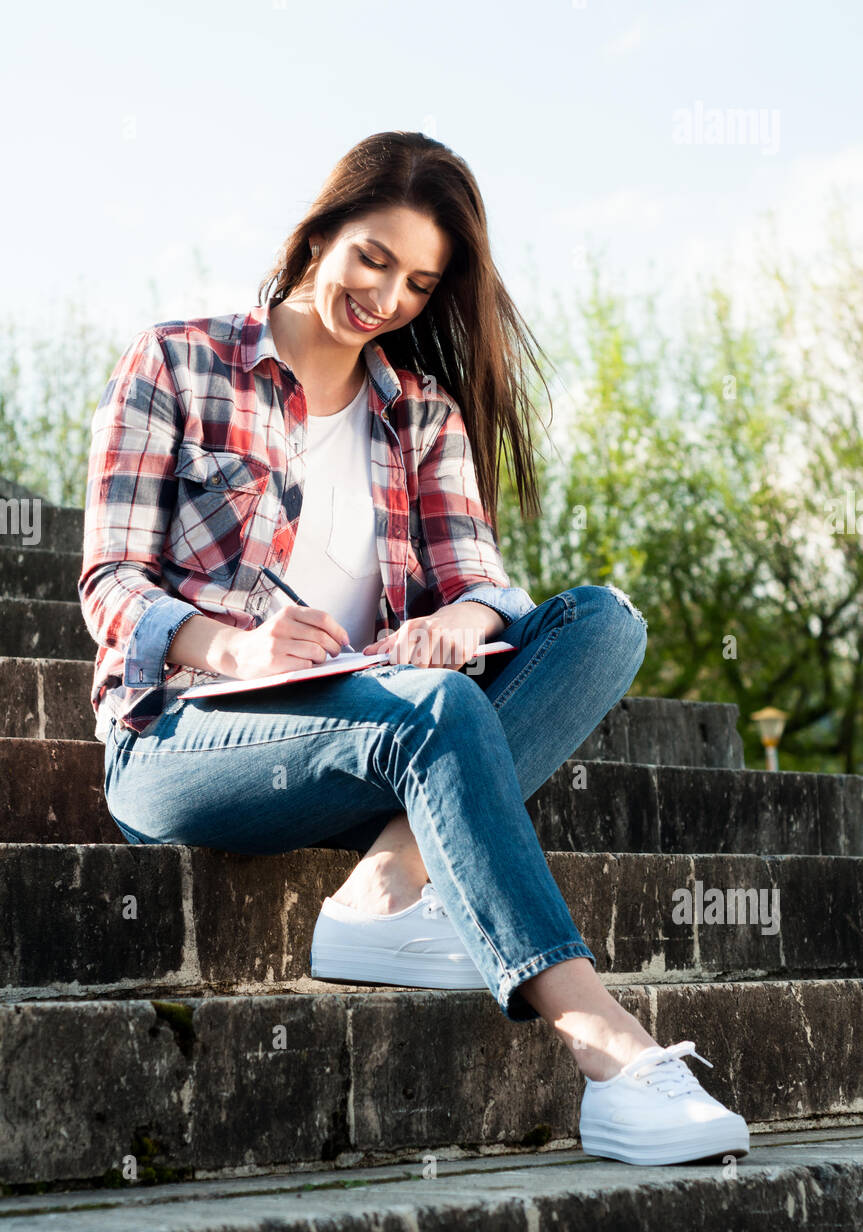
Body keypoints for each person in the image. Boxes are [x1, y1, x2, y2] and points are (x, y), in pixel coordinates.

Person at [79, 130, 749, 1166]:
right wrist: (237, 649)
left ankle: (382, 886)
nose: (386, 296)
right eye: (371, 257)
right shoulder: (177, 360)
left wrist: (457, 623)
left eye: (418, 282)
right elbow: (109, 585)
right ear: (319, 236)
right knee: (439, 714)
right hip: (183, 738)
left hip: (369, 727)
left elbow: (480, 581)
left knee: (600, 623)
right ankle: (608, 1052)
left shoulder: (419, 414)